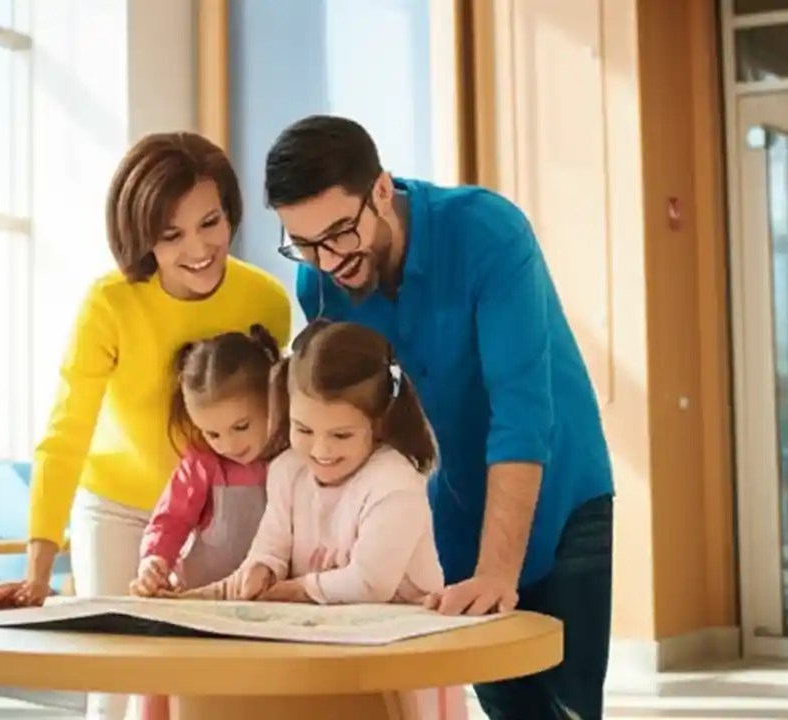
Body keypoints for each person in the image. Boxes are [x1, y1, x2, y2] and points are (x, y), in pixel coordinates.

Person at [263, 115, 614, 720]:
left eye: (340, 233)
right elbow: (349, 419)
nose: (327, 260)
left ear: (381, 190)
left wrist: (498, 571)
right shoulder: (317, 280)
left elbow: (521, 411)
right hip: (449, 507)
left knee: (568, 709)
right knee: (506, 709)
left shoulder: (487, 233)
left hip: (561, 497)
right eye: (304, 243)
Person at [0, 131, 291, 720]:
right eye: (171, 235)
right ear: (141, 239)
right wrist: (38, 570)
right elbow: (67, 433)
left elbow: (282, 424)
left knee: (224, 677)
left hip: (226, 511)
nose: (199, 248)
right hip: (123, 509)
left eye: (211, 222)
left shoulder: (264, 299)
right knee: (119, 676)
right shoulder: (108, 305)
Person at [156, 321, 466, 720]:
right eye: (303, 429)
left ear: (378, 423)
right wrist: (258, 571)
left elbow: (370, 582)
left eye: (341, 436)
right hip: (318, 654)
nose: (319, 450)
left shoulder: (395, 481)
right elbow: (270, 546)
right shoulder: (288, 469)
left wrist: (293, 589)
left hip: (391, 665)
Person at [132, 323, 282, 596]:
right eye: (213, 433)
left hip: (273, 601)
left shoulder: (293, 460)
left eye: (241, 427)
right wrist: (155, 560)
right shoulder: (202, 462)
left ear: (273, 400)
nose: (229, 446)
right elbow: (172, 519)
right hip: (204, 600)